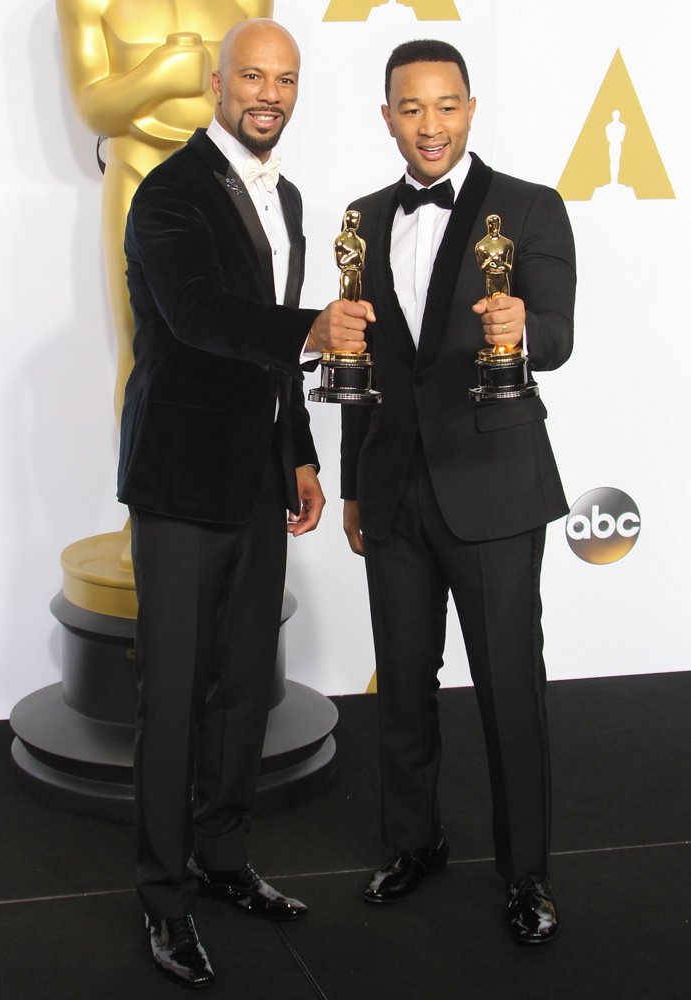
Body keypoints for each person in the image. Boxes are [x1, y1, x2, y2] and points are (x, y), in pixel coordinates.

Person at [118, 18, 373, 989]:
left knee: (238, 694)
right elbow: (200, 320)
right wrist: (313, 324)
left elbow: (266, 355)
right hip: (179, 486)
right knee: (174, 700)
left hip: (256, 482)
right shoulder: (169, 194)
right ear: (216, 82)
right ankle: (163, 900)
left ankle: (224, 862)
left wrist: (298, 452)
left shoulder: (293, 196)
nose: (269, 94)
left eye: (286, 81)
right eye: (253, 77)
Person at [340, 40, 576, 945]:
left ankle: (527, 875)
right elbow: (362, 359)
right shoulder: (361, 218)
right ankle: (414, 843)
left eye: (445, 106)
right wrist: (359, 482)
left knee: (509, 689)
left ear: (470, 108)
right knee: (402, 685)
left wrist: (525, 326)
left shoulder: (528, 207)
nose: (428, 125)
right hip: (395, 492)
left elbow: (556, 331)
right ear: (388, 114)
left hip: (494, 491)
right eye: (410, 107)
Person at [56, 0, 274, 418]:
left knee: (248, 338)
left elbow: (259, 92)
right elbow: (92, 107)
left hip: (228, 177)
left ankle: (248, 478)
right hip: (137, 170)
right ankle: (140, 483)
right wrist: (157, 76)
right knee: (143, 344)